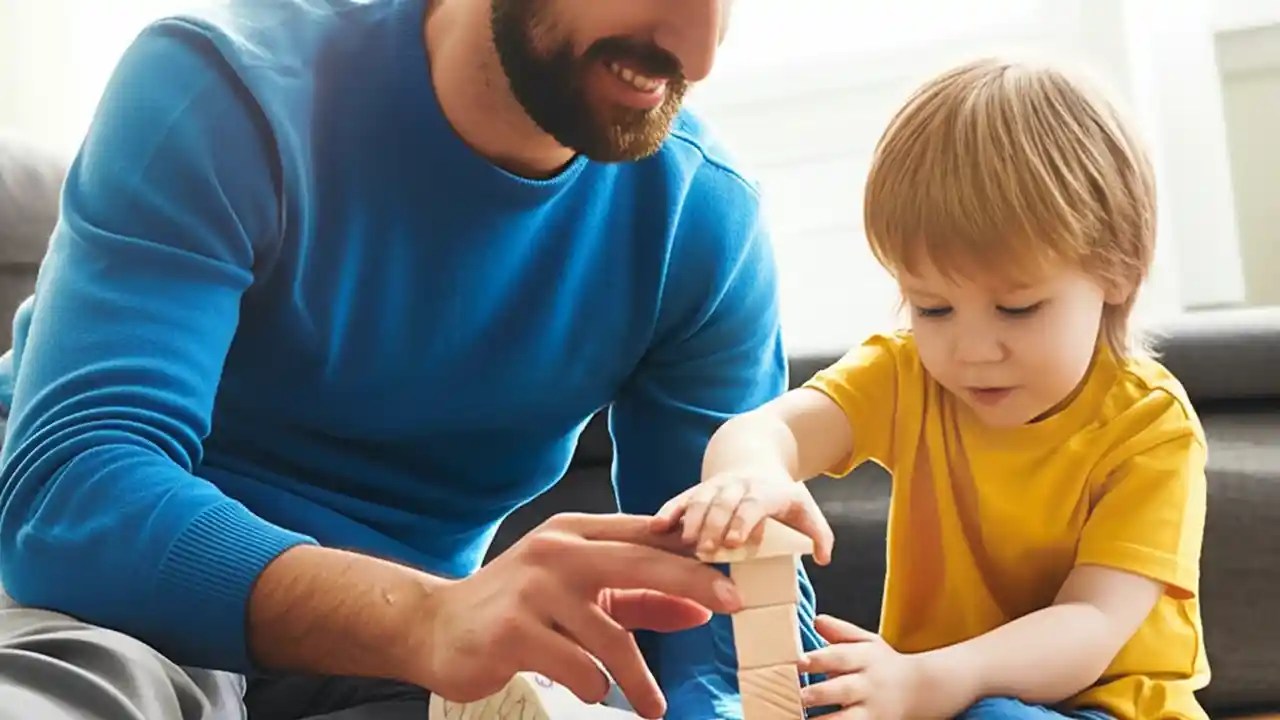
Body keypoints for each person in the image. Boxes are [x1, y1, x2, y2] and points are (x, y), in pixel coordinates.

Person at [0, 0, 828, 718]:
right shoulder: (224, 88)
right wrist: (428, 619)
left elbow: (717, 621)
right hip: (85, 602)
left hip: (386, 661)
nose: (701, 52)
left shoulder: (698, 219)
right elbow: (72, 501)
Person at [657, 57, 1210, 720]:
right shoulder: (908, 374)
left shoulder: (1151, 428)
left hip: (1100, 708)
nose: (972, 351)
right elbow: (766, 429)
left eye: (1018, 309)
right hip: (931, 695)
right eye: (933, 308)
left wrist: (933, 679)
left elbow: (1091, 624)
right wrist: (751, 474)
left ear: (1118, 271)